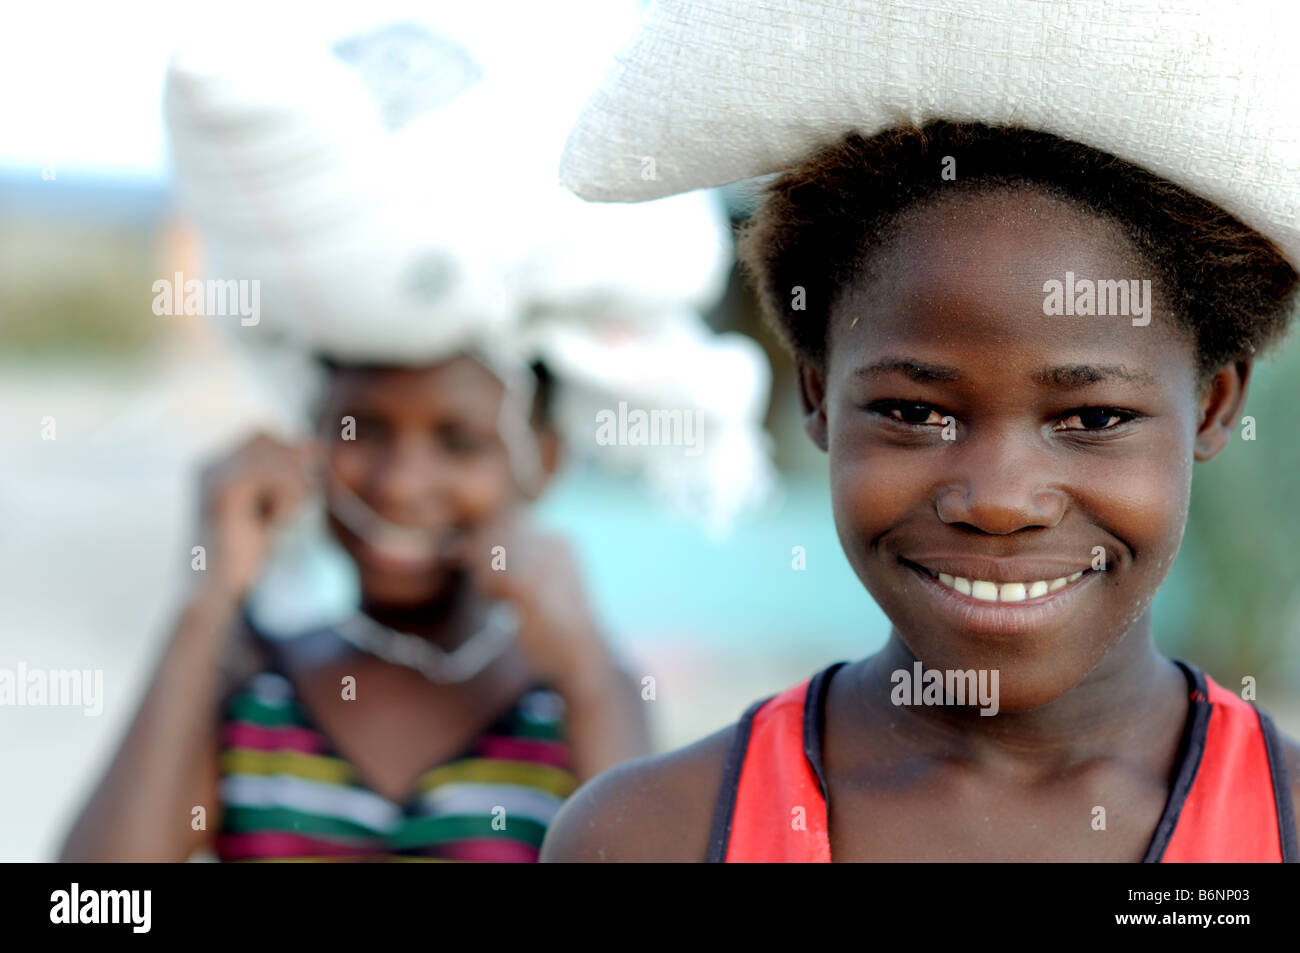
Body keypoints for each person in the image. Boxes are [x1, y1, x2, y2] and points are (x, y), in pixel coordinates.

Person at [543, 0, 1300, 862]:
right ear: (819, 395)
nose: (1000, 501)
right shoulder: (650, 836)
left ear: (1213, 407)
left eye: (1093, 418)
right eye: (913, 412)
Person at [58, 8, 772, 862]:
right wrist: (203, 600)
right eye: (362, 431)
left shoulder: (574, 701)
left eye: (460, 441)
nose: (401, 480)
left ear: (542, 460)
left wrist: (587, 668)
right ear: (306, 444)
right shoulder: (247, 685)